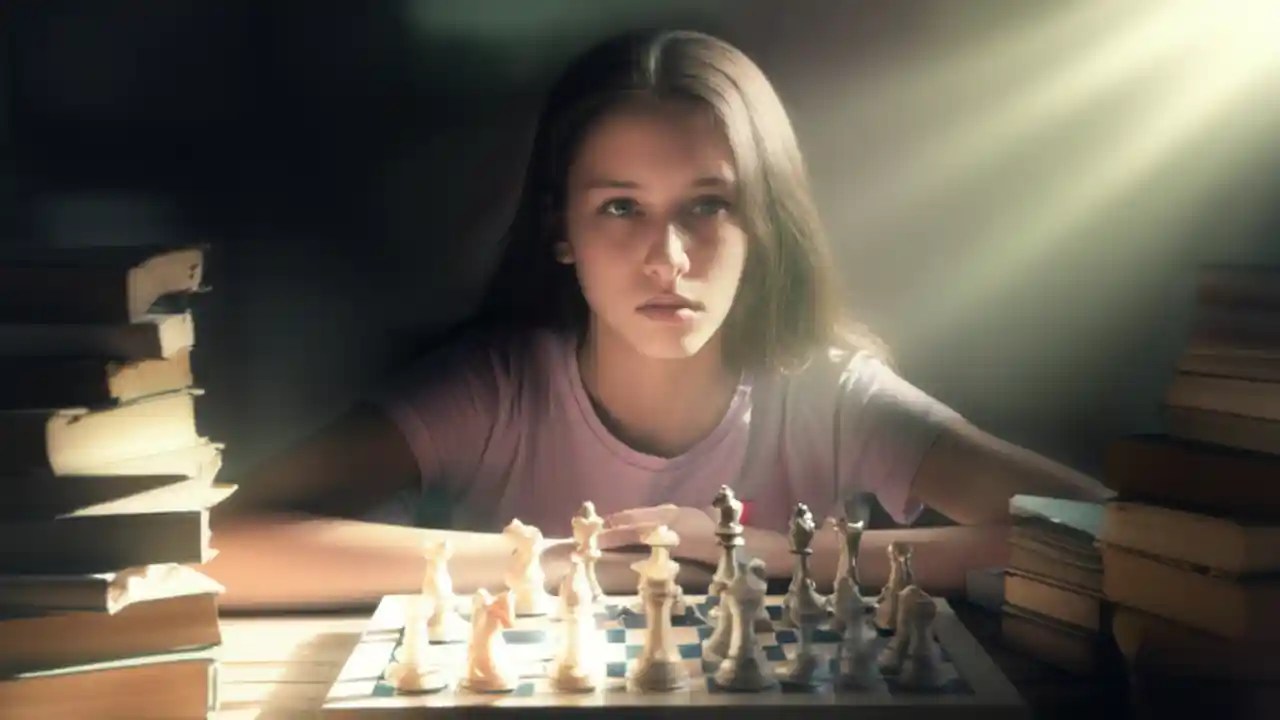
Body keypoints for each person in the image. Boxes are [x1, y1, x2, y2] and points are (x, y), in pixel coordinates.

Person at [207, 29, 1112, 610]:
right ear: (560, 229)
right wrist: (559, 562)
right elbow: (216, 550)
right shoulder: (496, 391)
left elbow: (1105, 533)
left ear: (765, 226)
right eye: (619, 208)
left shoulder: (828, 392)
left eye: (707, 206)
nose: (667, 258)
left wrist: (768, 555)